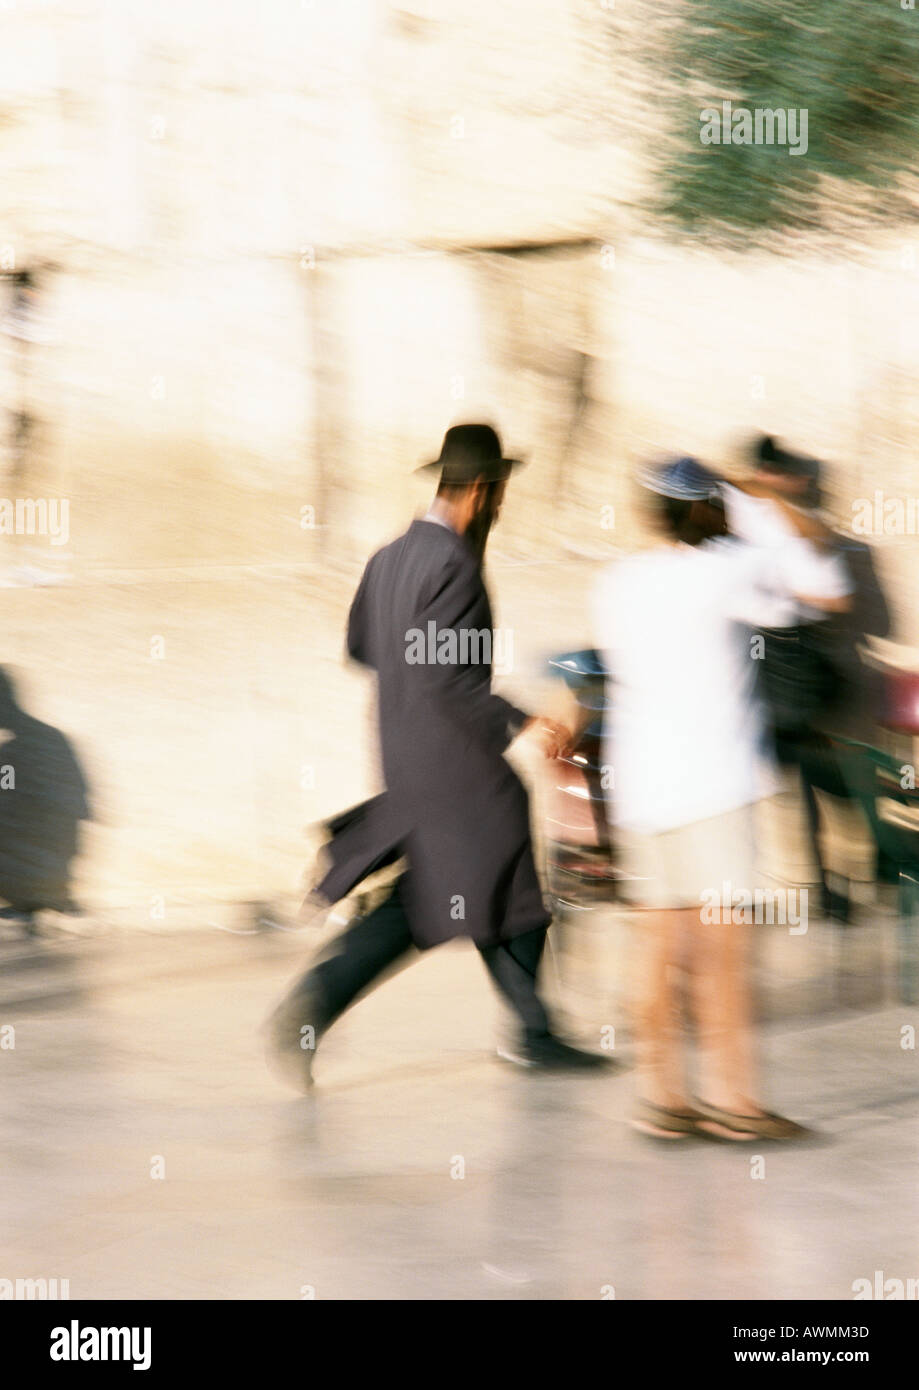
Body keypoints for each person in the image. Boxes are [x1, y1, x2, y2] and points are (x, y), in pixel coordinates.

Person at [268, 424, 608, 1087]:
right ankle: (315, 1002)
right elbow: (445, 676)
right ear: (482, 490)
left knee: (495, 880)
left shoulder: (389, 556)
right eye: (502, 491)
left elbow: (363, 649)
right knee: (431, 898)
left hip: (405, 751)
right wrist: (525, 719)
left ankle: (533, 1028)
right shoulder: (454, 563)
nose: (502, 505)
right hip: (456, 759)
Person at [592, 456, 851, 1142]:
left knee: (656, 946)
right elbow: (825, 589)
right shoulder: (729, 571)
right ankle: (735, 1102)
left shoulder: (617, 581)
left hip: (641, 790)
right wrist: (760, 499)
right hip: (711, 789)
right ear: (712, 510)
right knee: (722, 955)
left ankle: (664, 1099)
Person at [749, 435, 893, 921]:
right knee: (796, 778)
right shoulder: (752, 522)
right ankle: (827, 881)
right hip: (767, 663)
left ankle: (852, 871)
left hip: (798, 668)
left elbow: (838, 599)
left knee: (819, 775)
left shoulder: (809, 532)